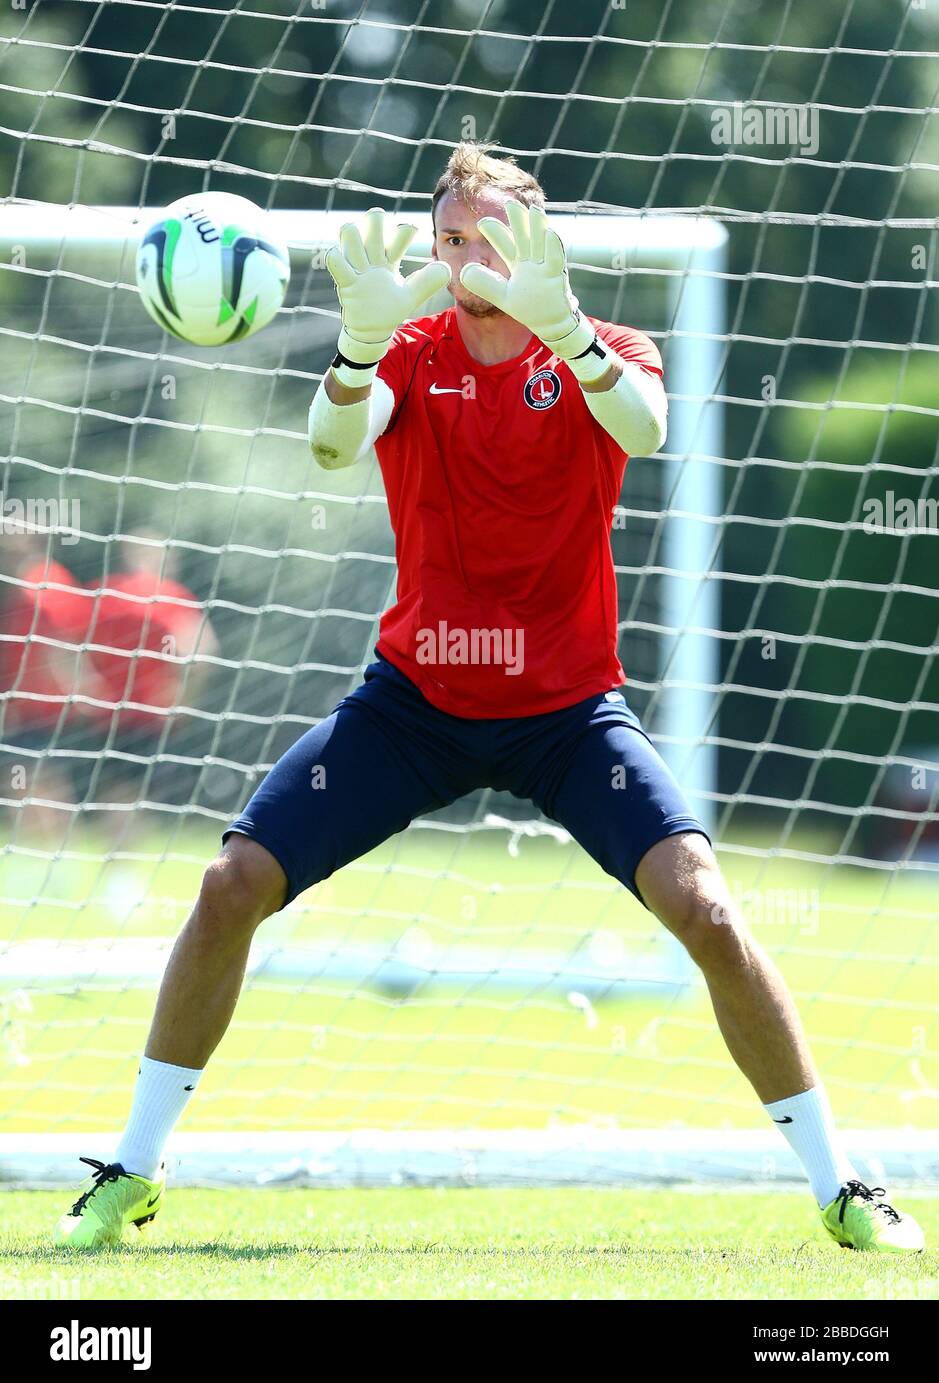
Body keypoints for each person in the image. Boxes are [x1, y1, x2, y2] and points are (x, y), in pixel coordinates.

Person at [54, 143, 923, 1253]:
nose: (462, 254)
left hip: (567, 715)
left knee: (703, 904)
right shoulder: (406, 352)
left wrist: (568, 336)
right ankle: (131, 1170)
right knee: (233, 882)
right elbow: (332, 446)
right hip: (412, 707)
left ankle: (842, 1187)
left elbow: (646, 430)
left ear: (535, 241)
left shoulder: (610, 349)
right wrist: (358, 345)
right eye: (448, 236)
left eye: (484, 234)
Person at [83, 533, 219, 824]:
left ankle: (119, 861)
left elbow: (70, 646)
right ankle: (125, 863)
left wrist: (86, 687)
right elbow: (201, 653)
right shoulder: (169, 596)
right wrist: (184, 699)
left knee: (116, 790)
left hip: (110, 712)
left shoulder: (103, 593)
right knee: (137, 794)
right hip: (153, 712)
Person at [0, 529, 98, 838]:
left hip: (42, 707)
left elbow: (61, 646)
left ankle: (49, 850)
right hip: (29, 704)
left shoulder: (40, 588)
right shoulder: (34, 583)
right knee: (37, 780)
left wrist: (79, 689)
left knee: (31, 780)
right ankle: (49, 852)